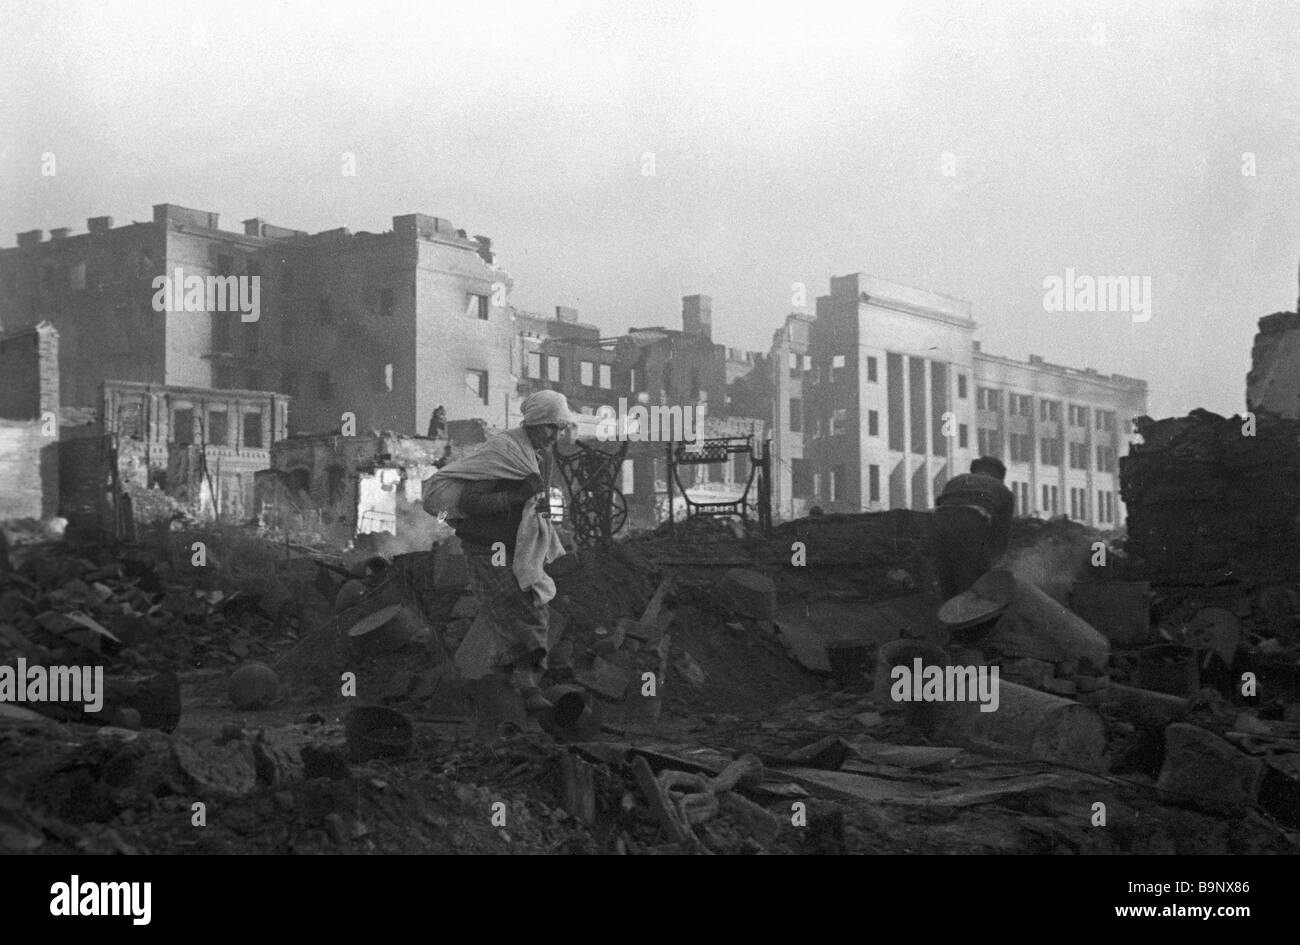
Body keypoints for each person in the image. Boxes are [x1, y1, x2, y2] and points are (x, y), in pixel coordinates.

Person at [440, 391, 570, 713]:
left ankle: (516, 690)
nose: (555, 435)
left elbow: (537, 500)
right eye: (550, 427)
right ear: (535, 423)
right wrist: (515, 497)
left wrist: (550, 534)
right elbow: (471, 502)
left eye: (560, 428)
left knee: (533, 609)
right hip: (490, 548)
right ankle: (519, 692)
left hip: (520, 548)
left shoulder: (540, 454)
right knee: (513, 609)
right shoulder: (504, 450)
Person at [931, 456, 1015, 600]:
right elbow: (1001, 534)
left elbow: (941, 504)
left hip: (938, 526)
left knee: (947, 580)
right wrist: (994, 563)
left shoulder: (954, 481)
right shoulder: (1003, 490)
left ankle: (948, 617)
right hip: (972, 526)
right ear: (999, 475)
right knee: (973, 581)